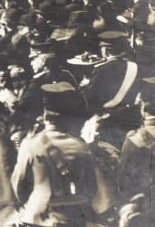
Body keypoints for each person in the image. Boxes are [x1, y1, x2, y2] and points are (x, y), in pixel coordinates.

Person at [10, 82, 112, 227]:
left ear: (45, 114)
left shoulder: (30, 144)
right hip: (73, 219)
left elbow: (18, 185)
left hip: (38, 218)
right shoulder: (81, 147)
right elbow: (91, 188)